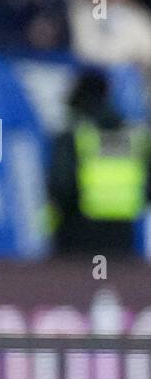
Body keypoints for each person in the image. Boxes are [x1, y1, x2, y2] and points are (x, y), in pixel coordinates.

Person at [47, 68, 151, 257]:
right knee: (111, 284)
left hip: (77, 232)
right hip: (122, 234)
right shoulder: (134, 136)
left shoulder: (73, 135)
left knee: (76, 285)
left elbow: (61, 185)